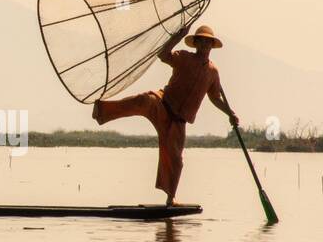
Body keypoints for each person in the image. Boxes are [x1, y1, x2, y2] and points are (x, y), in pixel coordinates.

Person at [91, 24, 238, 206]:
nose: (205, 45)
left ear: (211, 46)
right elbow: (163, 55)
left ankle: (170, 198)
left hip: (178, 120)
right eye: (201, 41)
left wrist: (229, 113)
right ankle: (102, 111)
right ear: (196, 43)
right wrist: (178, 36)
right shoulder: (183, 57)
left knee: (175, 160)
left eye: (208, 43)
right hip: (163, 104)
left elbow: (215, 98)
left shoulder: (213, 72)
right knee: (143, 101)